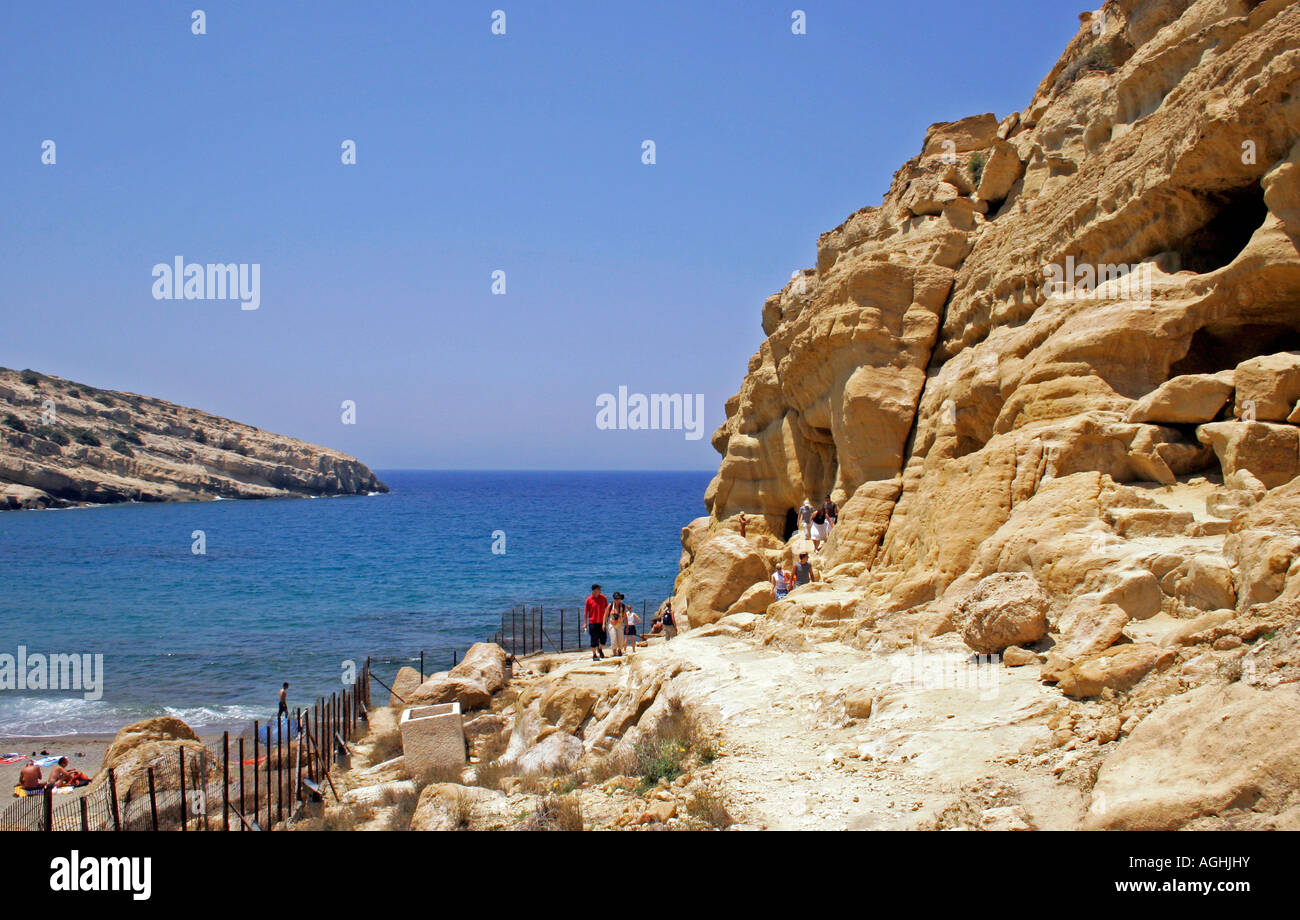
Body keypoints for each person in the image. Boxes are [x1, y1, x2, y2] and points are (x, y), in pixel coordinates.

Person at [586, 584, 609, 660]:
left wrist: (605, 621)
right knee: (594, 639)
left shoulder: (603, 598)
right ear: (595, 590)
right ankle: (594, 654)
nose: (600, 590)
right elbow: (586, 612)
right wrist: (585, 623)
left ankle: (600, 648)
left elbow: (607, 609)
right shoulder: (589, 599)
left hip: (601, 621)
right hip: (592, 622)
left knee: (603, 638)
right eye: (599, 589)